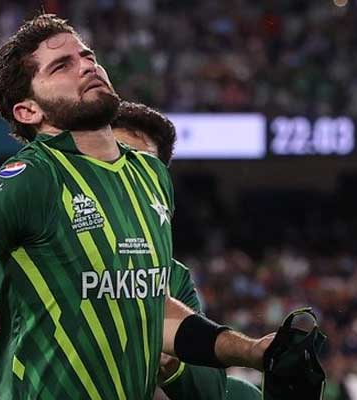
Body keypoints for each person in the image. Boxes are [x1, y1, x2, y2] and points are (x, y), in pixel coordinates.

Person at [0, 14, 274, 400]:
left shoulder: (150, 174)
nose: (87, 66)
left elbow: (149, 308)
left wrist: (252, 351)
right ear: (28, 111)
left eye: (87, 56)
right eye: (62, 66)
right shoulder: (29, 180)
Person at [112, 101, 263, 400]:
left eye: (141, 166)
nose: (125, 177)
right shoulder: (30, 241)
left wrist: (173, 366)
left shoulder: (171, 276)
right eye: (113, 160)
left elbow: (211, 390)